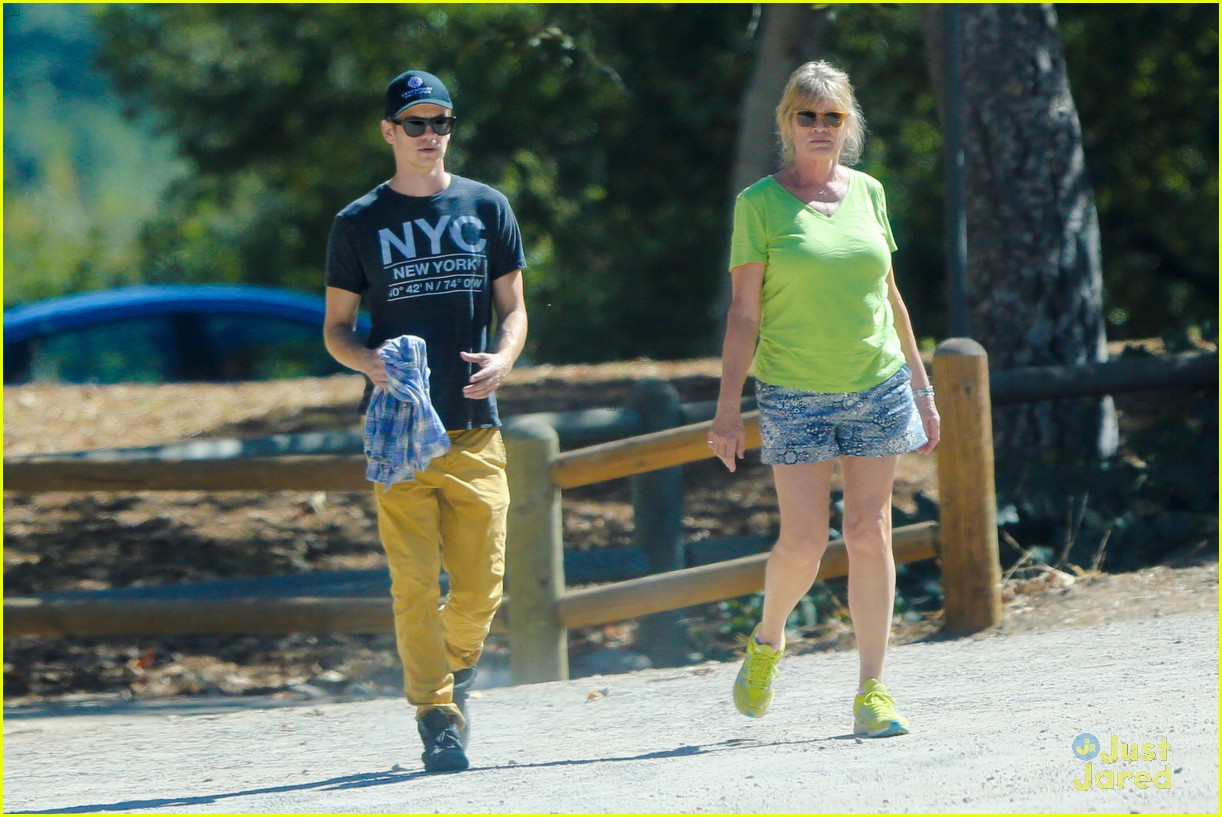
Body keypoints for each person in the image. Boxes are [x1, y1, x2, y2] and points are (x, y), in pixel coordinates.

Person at [708, 60, 940, 737]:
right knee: (805, 542)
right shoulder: (759, 204)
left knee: (870, 531)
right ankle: (768, 639)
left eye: (831, 116)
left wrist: (922, 389)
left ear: (849, 124)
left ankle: (873, 690)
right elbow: (743, 314)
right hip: (794, 392)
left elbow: (890, 295)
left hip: (878, 383)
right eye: (806, 115)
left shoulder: (869, 192)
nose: (819, 127)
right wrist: (728, 409)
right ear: (787, 123)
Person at [323, 69, 527, 773]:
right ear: (389, 132)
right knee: (412, 582)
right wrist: (369, 361)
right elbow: (336, 330)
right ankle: (436, 712)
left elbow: (515, 309)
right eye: (416, 123)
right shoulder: (357, 222)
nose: (430, 135)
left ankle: (453, 668)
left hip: (475, 422)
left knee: (480, 588)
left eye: (440, 122)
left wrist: (505, 356)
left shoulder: (486, 206)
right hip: (399, 430)